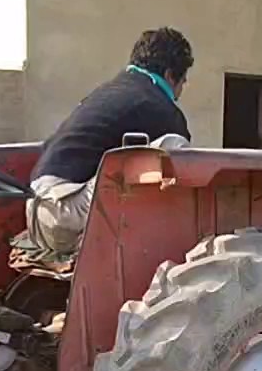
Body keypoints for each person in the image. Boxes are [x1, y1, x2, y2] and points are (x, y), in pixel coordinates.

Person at [24, 27, 194, 255]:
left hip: (36, 210)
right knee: (174, 148)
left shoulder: (107, 93)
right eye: (182, 82)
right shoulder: (159, 107)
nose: (180, 91)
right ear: (170, 75)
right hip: (67, 213)